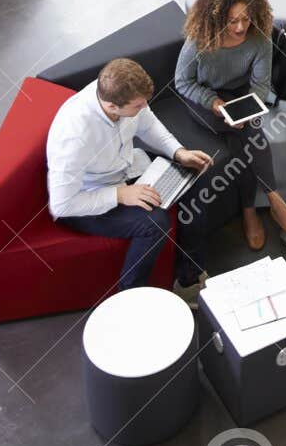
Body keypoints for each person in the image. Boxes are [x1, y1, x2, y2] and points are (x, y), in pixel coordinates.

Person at [46, 56, 212, 302]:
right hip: (87, 201)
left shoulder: (120, 95)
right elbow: (61, 205)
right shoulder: (74, 136)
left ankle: (188, 279)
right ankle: (128, 300)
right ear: (113, 107)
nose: (144, 108)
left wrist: (179, 153)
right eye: (138, 106)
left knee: (195, 176)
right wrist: (121, 195)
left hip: (123, 170)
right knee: (154, 223)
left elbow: (148, 124)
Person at [174, 0, 286, 250]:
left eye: (245, 19)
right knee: (249, 135)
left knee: (246, 131)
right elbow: (182, 82)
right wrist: (214, 103)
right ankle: (272, 203)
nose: (239, 27)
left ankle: (250, 211)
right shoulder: (199, 41)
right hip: (202, 98)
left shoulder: (259, 39)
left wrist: (245, 110)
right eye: (232, 20)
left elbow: (260, 86)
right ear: (217, 17)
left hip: (238, 95)